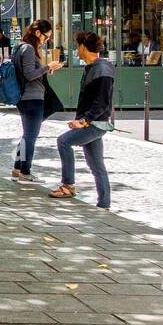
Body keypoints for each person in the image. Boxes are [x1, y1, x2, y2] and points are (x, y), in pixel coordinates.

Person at [50, 31, 115, 209]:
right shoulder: (94, 67)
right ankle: (104, 204)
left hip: (94, 123)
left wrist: (84, 121)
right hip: (93, 122)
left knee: (64, 142)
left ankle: (68, 185)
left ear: (83, 47)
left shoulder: (102, 69)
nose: (77, 50)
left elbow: (102, 102)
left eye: (78, 46)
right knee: (97, 165)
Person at [10, 18, 64, 183]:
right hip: (31, 98)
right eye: (46, 37)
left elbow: (29, 73)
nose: (46, 40)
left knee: (27, 135)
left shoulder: (21, 47)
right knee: (30, 137)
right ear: (37, 33)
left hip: (27, 97)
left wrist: (46, 71)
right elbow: (29, 74)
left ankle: (17, 169)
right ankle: (25, 172)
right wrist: (48, 67)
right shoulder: (28, 49)